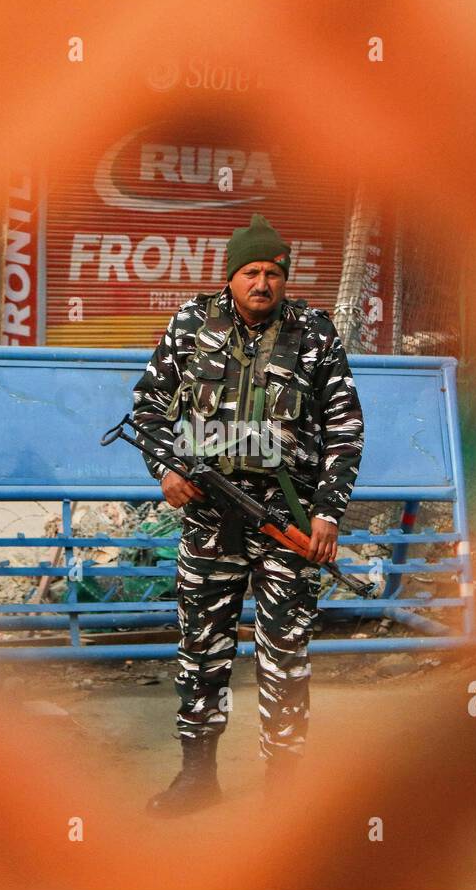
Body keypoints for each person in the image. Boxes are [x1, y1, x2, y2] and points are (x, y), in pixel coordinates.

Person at [130, 213, 364, 816]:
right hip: (210, 518)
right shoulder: (191, 325)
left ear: (285, 278)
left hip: (286, 521)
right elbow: (149, 406)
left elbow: (345, 427)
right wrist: (167, 470)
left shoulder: (314, 333)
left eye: (273, 272)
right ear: (230, 276)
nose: (263, 282)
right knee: (201, 649)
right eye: (251, 271)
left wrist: (328, 513)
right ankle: (197, 778)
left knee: (285, 656)